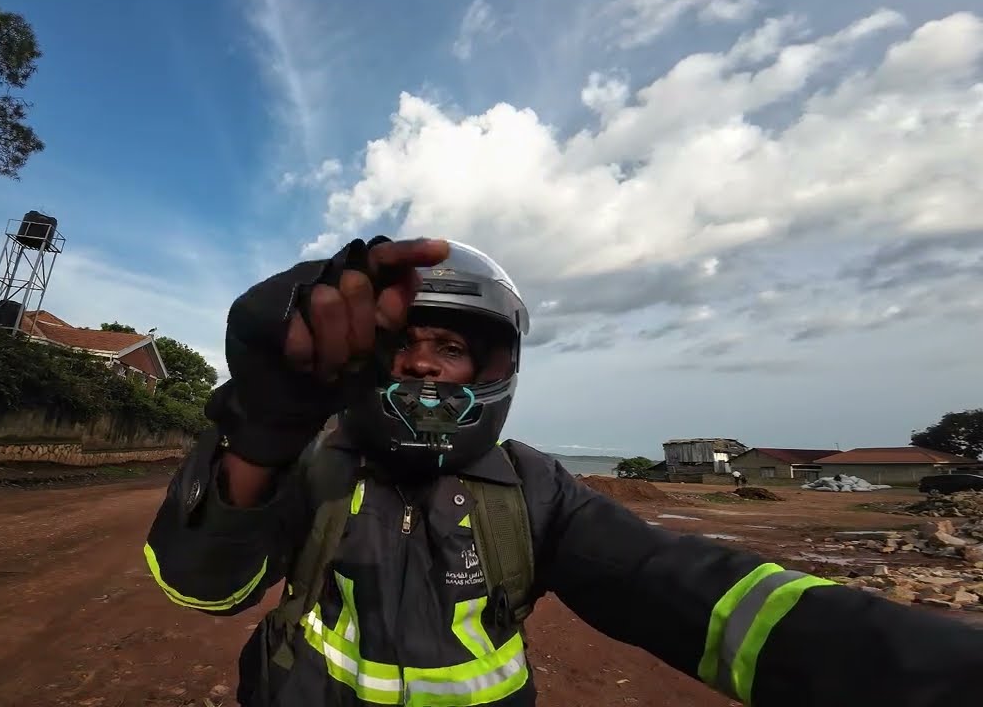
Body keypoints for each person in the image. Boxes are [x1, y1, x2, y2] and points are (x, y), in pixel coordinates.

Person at [144, 236, 983, 706]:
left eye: (451, 347)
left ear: (493, 368)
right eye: (404, 344)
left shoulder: (534, 489)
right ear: (365, 358)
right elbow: (203, 588)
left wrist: (928, 673)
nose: (426, 364)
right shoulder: (315, 463)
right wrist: (260, 436)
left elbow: (683, 587)